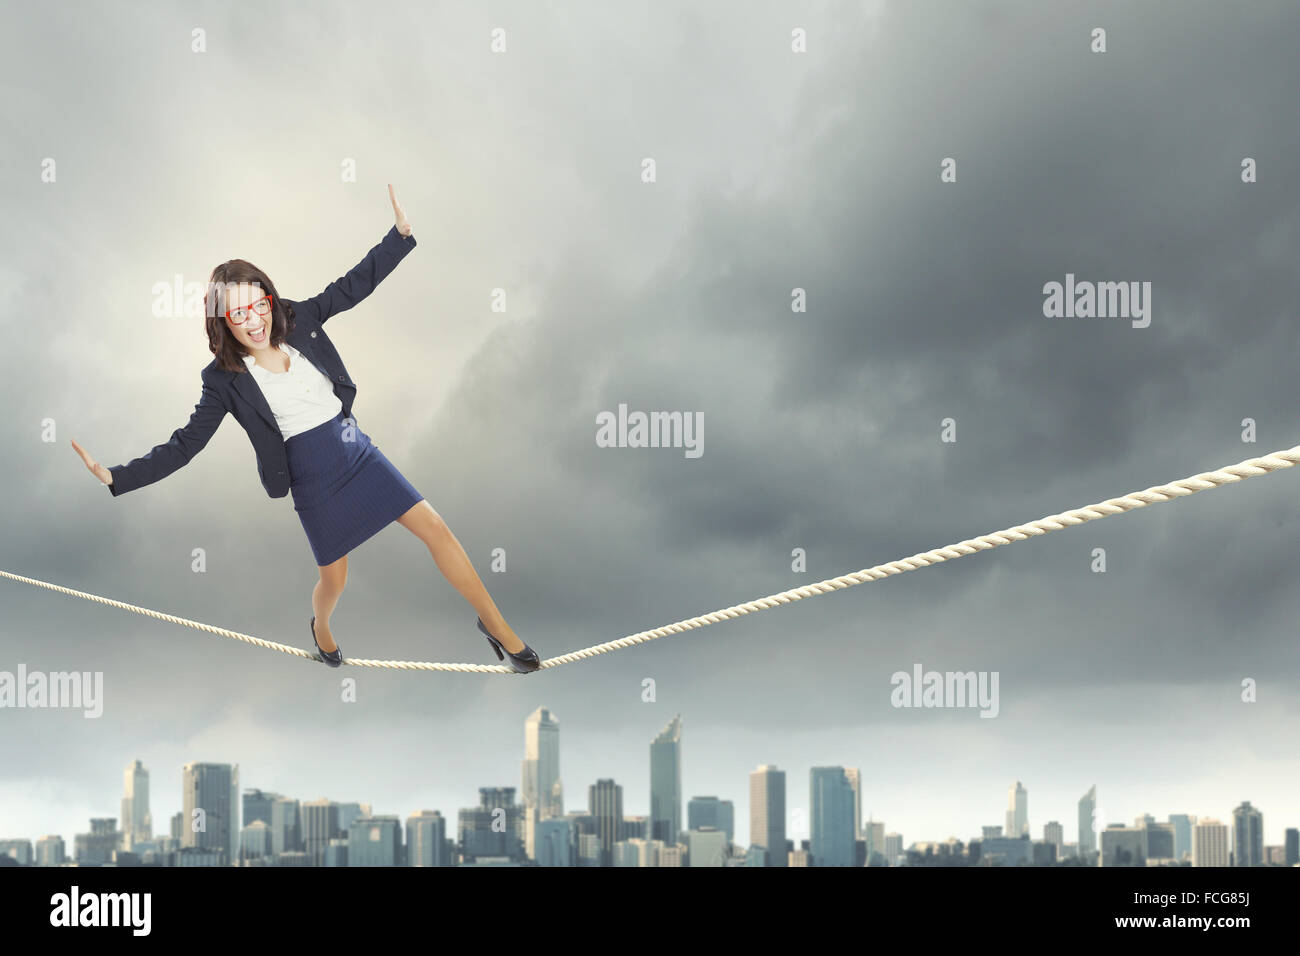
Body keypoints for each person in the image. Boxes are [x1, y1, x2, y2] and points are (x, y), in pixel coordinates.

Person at [70, 185, 541, 673]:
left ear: (270, 300)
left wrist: (398, 237)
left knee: (435, 529)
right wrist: (117, 477)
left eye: (260, 305)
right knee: (335, 580)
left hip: (354, 450)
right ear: (222, 321)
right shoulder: (222, 381)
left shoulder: (299, 319)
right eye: (238, 314)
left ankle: (497, 626)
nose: (253, 320)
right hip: (311, 477)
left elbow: (352, 286)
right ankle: (321, 629)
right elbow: (185, 445)